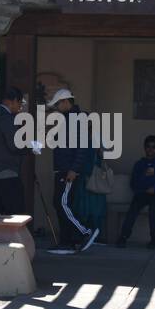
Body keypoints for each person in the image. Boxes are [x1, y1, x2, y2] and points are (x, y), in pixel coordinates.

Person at [47, 87, 99, 253]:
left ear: (65, 102)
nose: (56, 107)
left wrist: (74, 169)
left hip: (68, 170)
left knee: (61, 204)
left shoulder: (78, 119)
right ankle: (66, 241)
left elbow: (81, 148)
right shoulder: (67, 119)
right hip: (63, 169)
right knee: (61, 204)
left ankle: (85, 232)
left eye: (58, 104)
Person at [116, 134, 155, 249]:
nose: (150, 149)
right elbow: (133, 183)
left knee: (154, 210)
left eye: (153, 147)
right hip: (142, 193)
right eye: (148, 146)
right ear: (144, 148)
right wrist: (144, 179)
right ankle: (123, 237)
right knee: (132, 210)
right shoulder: (139, 164)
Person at [0, 85, 29, 216]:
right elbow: (15, 145)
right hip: (7, 172)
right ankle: (12, 238)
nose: (20, 107)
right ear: (13, 100)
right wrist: (30, 147)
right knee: (14, 214)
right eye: (19, 102)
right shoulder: (7, 119)